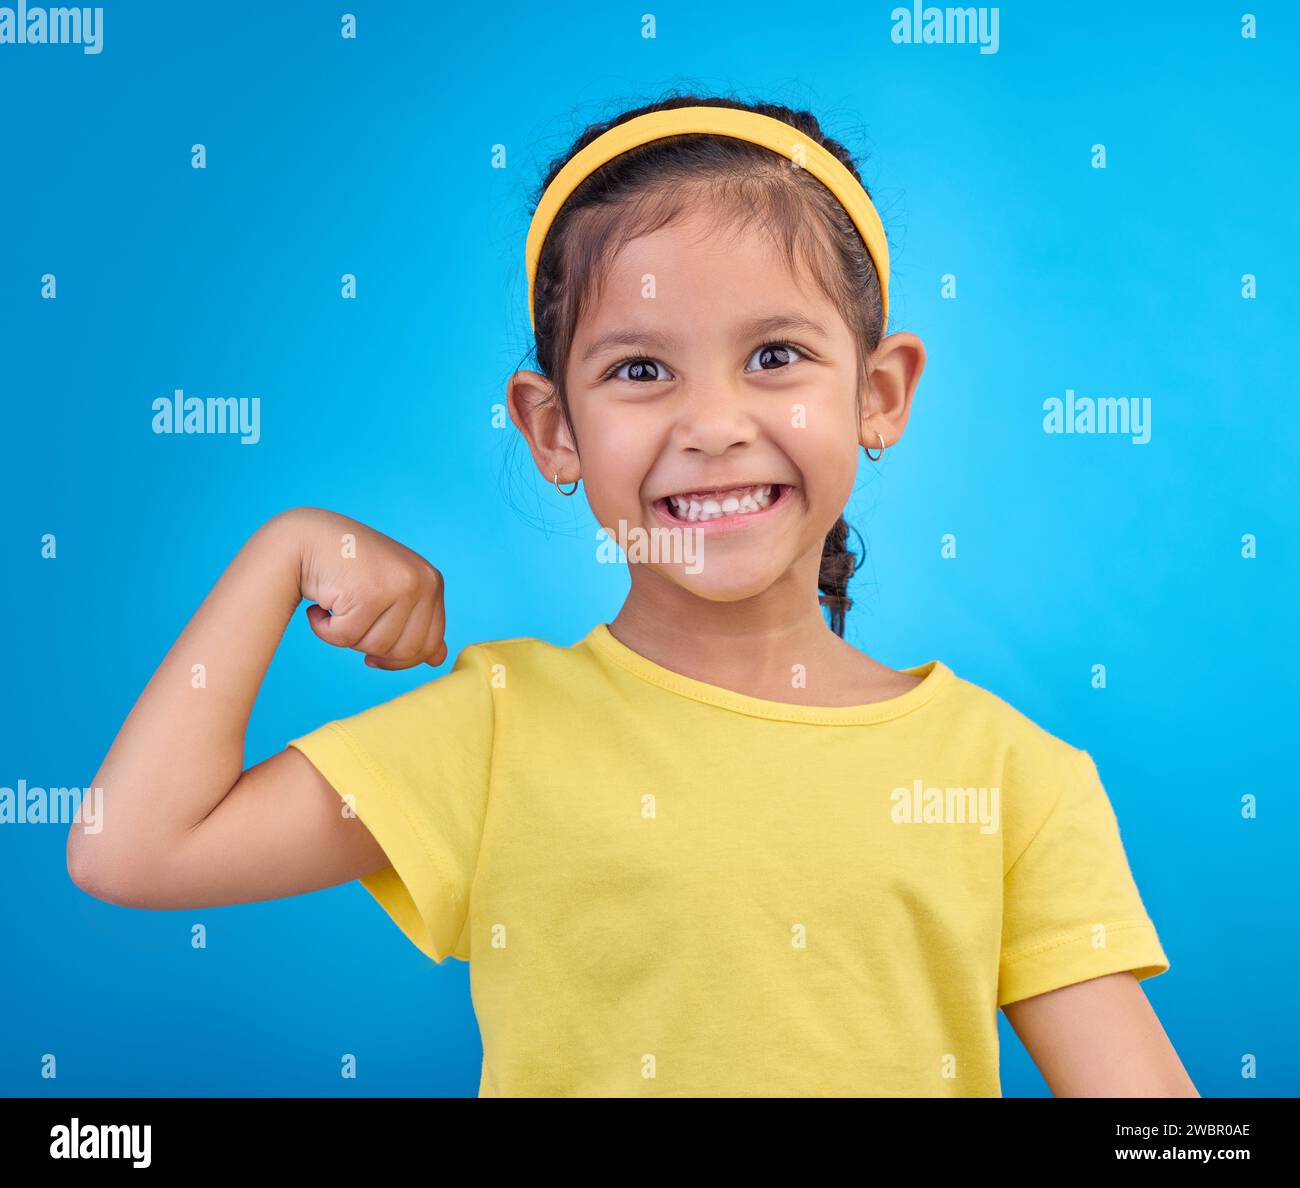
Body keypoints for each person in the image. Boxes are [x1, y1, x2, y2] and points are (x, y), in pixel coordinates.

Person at [67, 94, 1197, 1098]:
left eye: (774, 355)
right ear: (553, 428)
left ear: (881, 392)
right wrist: (284, 549)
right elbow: (133, 849)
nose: (709, 425)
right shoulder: (498, 730)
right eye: (640, 370)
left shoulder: (1011, 779)